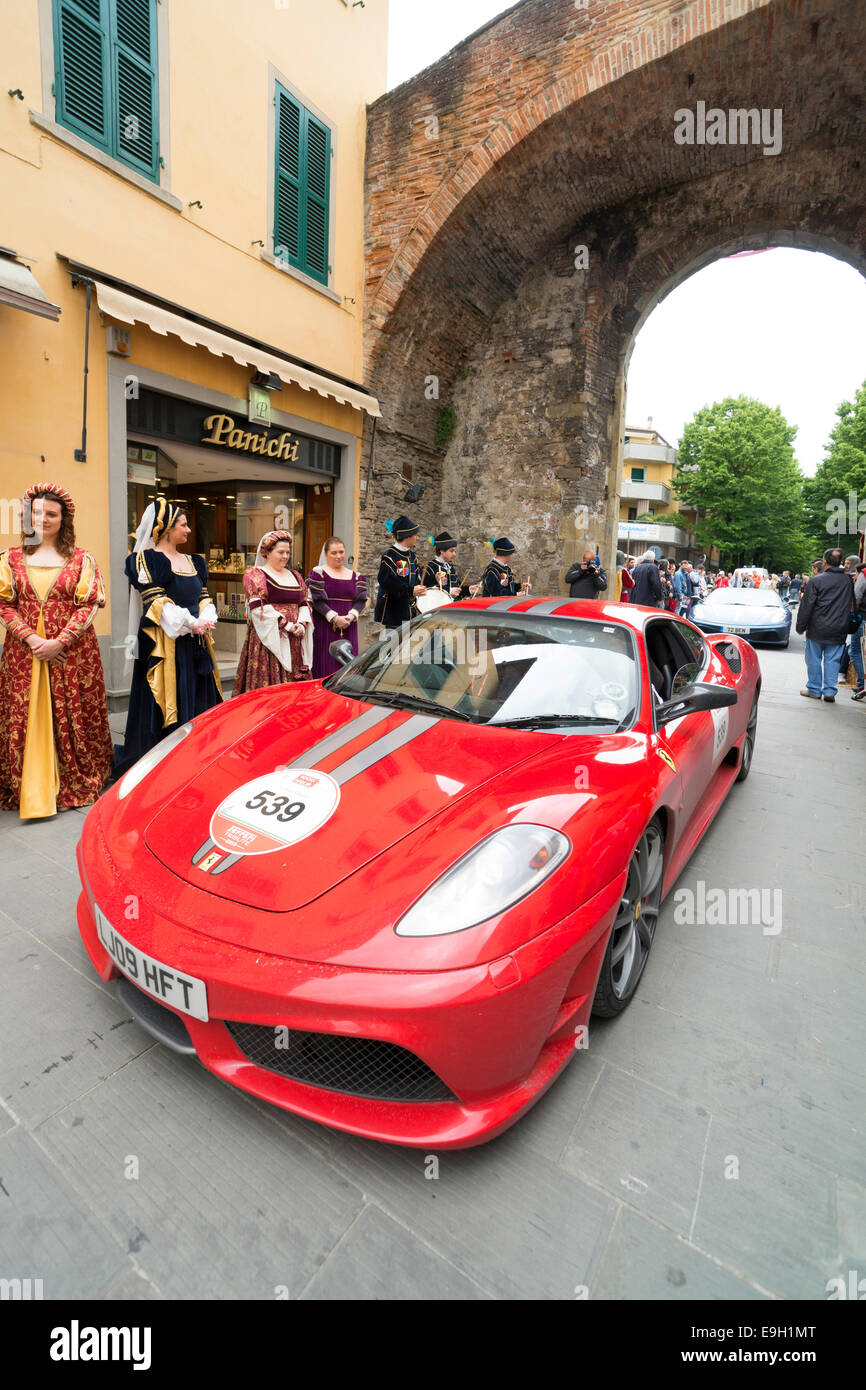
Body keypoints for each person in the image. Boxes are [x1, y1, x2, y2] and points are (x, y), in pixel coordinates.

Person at [0, 482, 113, 818]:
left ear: (64, 519)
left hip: (73, 653)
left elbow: (89, 603)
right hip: (24, 654)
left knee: (72, 711)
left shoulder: (82, 558)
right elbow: (4, 604)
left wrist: (60, 641)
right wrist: (33, 641)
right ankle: (26, 781)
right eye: (37, 512)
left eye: (51, 513)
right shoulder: (10, 557)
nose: (44, 518)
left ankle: (70, 778)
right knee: (26, 713)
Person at [116, 499, 222, 775]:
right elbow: (155, 601)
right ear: (165, 529)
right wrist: (191, 623)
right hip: (165, 641)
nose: (188, 530)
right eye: (183, 525)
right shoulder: (147, 560)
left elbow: (203, 596)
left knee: (200, 698)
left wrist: (206, 617)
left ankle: (196, 756)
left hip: (195, 641)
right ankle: (165, 763)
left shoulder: (193, 561)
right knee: (167, 698)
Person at [233, 530, 313, 693]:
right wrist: (287, 626)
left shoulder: (296, 575)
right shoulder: (255, 575)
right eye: (280, 552)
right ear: (267, 552)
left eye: (288, 552)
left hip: (295, 639)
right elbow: (258, 608)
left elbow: (305, 601)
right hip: (270, 638)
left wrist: (302, 624)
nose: (285, 556)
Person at [796, 547, 855, 702]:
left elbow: (807, 605)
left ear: (824, 562)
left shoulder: (816, 580)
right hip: (839, 627)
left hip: (817, 627)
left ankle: (814, 690)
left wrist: (800, 626)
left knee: (813, 659)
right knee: (833, 659)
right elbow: (851, 603)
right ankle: (829, 691)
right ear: (841, 563)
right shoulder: (848, 580)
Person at [306, 536, 367, 679]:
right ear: (326, 554)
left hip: (349, 625)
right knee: (325, 663)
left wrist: (350, 616)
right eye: (334, 553)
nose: (338, 556)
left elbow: (361, 601)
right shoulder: (318, 574)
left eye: (341, 552)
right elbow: (317, 600)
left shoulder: (356, 576)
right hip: (325, 626)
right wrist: (334, 618)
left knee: (347, 664)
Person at [374, 515, 426, 628]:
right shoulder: (389, 556)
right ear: (407, 536)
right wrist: (411, 590)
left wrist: (435, 578)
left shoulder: (412, 556)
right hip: (394, 616)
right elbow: (388, 582)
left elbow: (418, 577)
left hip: (410, 614)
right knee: (394, 645)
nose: (417, 538)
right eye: (415, 535)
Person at [421, 531, 480, 601]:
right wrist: (449, 592)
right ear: (442, 551)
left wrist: (469, 589)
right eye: (451, 551)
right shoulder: (430, 567)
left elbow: (457, 588)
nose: (454, 554)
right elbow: (427, 590)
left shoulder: (450, 567)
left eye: (454, 551)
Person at [848, 560, 866, 701]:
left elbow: (856, 596)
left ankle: (862, 685)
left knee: (855, 651)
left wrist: (851, 616)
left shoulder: (864, 574)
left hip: (863, 618)